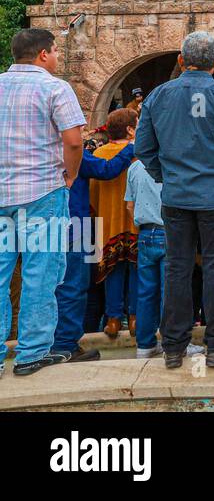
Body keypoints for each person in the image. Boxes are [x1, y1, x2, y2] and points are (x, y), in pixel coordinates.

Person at [133, 31, 214, 369]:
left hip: (175, 197)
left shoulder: (158, 96)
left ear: (180, 60)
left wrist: (164, 175)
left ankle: (173, 346)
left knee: (177, 268)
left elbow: (142, 148)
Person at [0, 29, 85, 377]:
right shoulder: (54, 87)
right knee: (40, 273)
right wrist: (71, 175)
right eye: (55, 51)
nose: (57, 58)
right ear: (43, 55)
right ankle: (32, 353)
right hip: (41, 191)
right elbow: (74, 140)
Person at [50, 124, 137, 363]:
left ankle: (40, 344)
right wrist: (130, 149)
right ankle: (65, 344)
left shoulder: (39, 152)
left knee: (44, 286)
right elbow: (107, 170)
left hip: (41, 224)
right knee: (73, 287)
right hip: (77, 225)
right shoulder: (75, 154)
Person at [90, 108, 138, 340]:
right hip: (135, 221)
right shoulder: (139, 155)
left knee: (113, 270)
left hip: (107, 222)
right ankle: (135, 317)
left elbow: (92, 193)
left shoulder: (99, 154)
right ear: (130, 129)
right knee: (138, 270)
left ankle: (113, 318)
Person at [124, 144, 173, 359]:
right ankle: (172, 343)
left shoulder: (134, 168)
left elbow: (129, 205)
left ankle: (144, 345)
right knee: (169, 291)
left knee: (145, 292)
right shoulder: (170, 164)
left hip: (145, 233)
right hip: (168, 231)